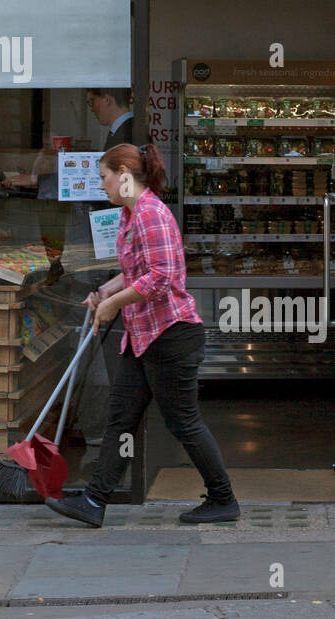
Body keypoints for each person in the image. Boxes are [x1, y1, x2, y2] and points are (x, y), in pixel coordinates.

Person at [43, 141, 239, 527]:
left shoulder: (151, 214)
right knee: (121, 418)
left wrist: (114, 305)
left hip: (171, 335)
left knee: (183, 421)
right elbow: (137, 272)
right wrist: (107, 292)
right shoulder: (129, 214)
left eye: (104, 177)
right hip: (142, 335)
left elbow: (162, 277)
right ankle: (94, 502)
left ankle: (223, 498)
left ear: (124, 176)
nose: (102, 185)